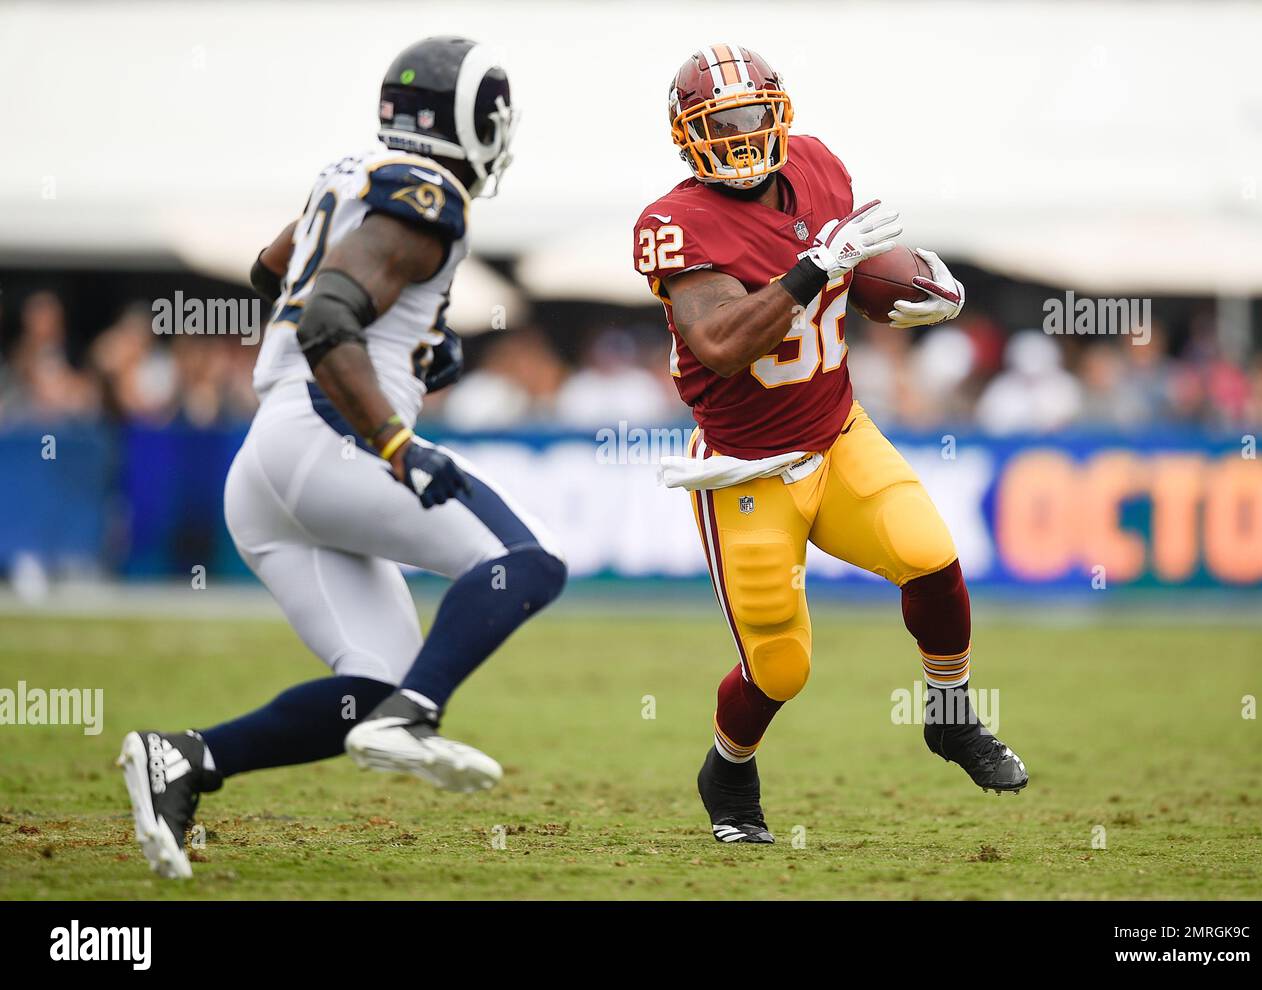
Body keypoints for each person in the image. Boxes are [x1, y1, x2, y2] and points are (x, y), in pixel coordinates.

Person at [118, 37, 566, 879]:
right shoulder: (429, 195)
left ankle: (186, 759)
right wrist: (395, 440)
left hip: (269, 466)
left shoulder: (351, 174)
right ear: (478, 124)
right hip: (330, 441)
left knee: (373, 681)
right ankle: (415, 717)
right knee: (528, 560)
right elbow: (327, 316)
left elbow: (271, 272)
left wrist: (406, 347)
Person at [634, 44, 1027, 844]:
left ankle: (951, 716)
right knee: (781, 666)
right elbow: (721, 344)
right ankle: (728, 770)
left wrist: (924, 291)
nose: (741, 138)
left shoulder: (817, 165)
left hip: (838, 432)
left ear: (780, 115)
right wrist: (813, 269)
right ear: (687, 136)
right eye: (720, 125)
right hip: (748, 466)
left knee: (930, 556)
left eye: (752, 118)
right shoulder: (674, 224)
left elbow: (867, 272)